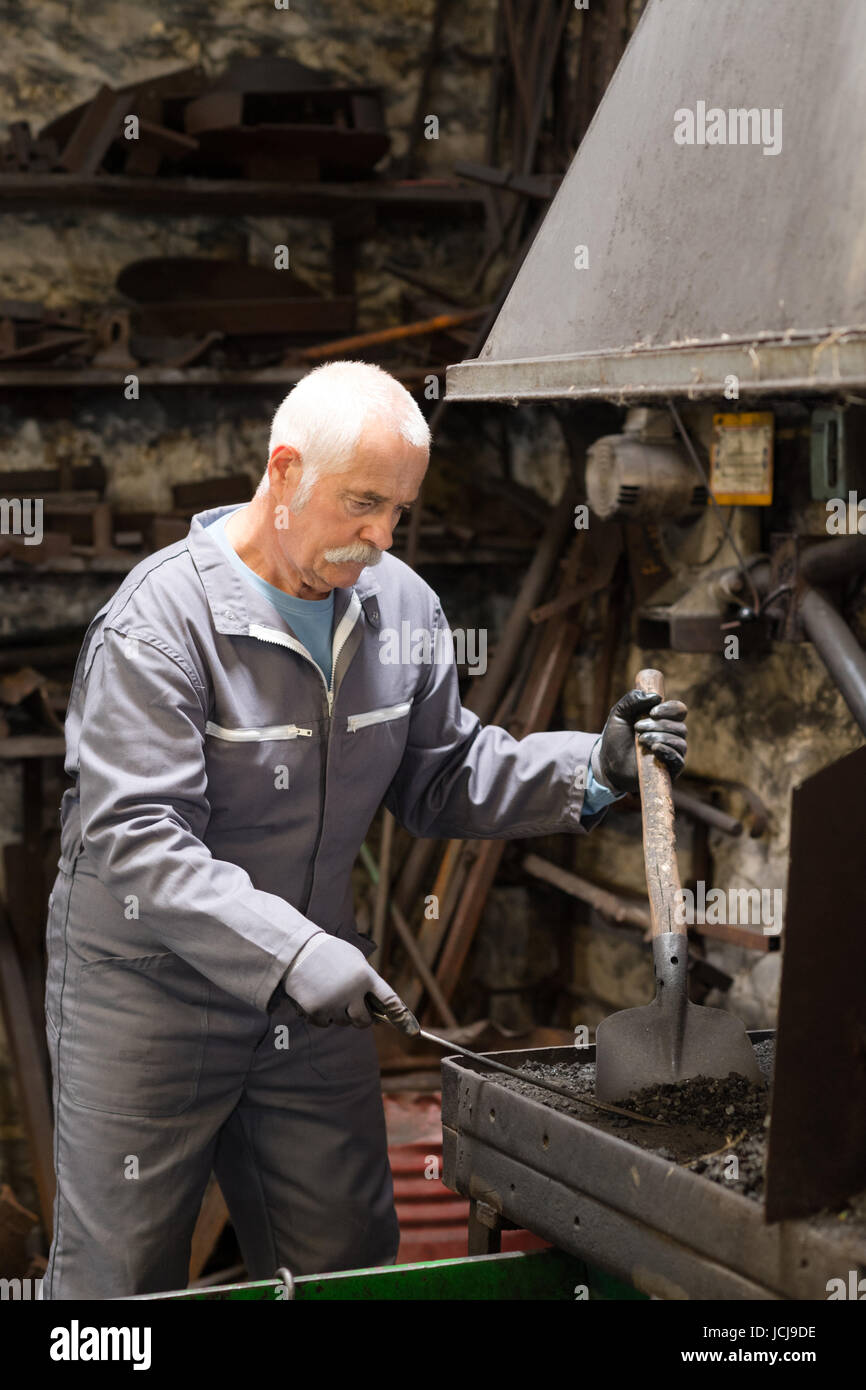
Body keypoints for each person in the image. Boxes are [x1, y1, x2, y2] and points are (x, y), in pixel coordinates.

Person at [43, 361, 687, 1298]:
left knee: (344, 1262)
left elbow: (445, 771)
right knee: (121, 1280)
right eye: (363, 503)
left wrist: (594, 767)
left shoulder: (403, 611)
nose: (382, 537)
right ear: (286, 469)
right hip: (146, 998)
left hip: (309, 1004)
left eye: (400, 511)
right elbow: (140, 838)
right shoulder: (159, 626)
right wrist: (295, 951)